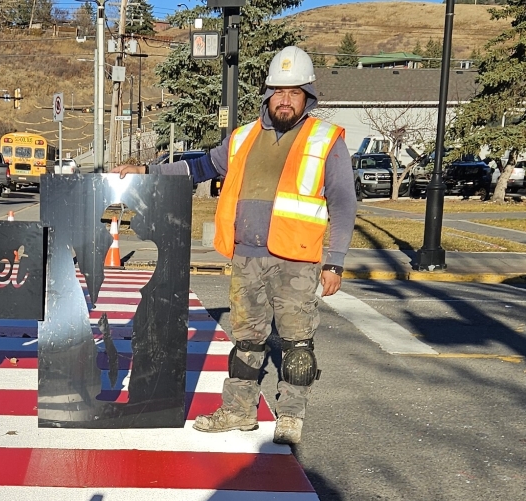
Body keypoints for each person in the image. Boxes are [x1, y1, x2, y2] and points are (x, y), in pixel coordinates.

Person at [114, 46, 357, 445]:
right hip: (247, 257)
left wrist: (335, 262)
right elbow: (200, 167)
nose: (285, 99)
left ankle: (291, 414)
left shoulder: (325, 140)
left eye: (294, 92)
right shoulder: (243, 137)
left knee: (296, 341)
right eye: (279, 91)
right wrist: (145, 170)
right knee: (246, 340)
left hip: (297, 260)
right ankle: (240, 411)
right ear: (266, 93)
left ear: (307, 96)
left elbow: (344, 204)